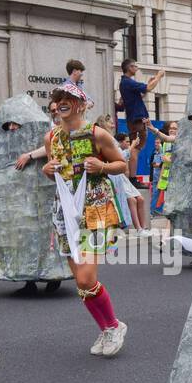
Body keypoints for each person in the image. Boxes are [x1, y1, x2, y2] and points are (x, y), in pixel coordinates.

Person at [42, 82, 128, 356]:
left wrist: (102, 165)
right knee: (80, 279)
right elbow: (52, 170)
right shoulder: (51, 138)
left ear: (80, 103)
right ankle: (106, 328)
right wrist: (46, 169)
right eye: (59, 98)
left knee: (86, 277)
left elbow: (122, 165)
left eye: (68, 98)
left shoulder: (97, 134)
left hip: (95, 208)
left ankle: (113, 326)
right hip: (65, 212)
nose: (62, 102)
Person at [105, 116, 148, 233]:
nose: (112, 123)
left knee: (141, 199)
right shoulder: (109, 142)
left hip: (123, 178)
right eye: (127, 141)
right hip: (115, 177)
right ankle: (138, 228)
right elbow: (122, 156)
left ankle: (143, 228)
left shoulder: (112, 141)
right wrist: (133, 145)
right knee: (133, 201)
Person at [118, 59, 164, 148]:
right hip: (137, 120)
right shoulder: (128, 82)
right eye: (135, 66)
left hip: (134, 120)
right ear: (129, 68)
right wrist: (159, 76)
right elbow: (149, 88)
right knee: (136, 148)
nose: (136, 68)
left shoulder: (125, 82)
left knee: (135, 147)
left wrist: (149, 84)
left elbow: (142, 94)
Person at [150, 119, 178, 216]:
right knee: (167, 205)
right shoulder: (165, 143)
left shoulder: (179, 142)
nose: (171, 130)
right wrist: (160, 181)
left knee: (174, 206)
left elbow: (178, 160)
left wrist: (168, 159)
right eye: (170, 128)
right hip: (166, 180)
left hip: (176, 179)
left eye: (174, 128)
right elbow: (164, 163)